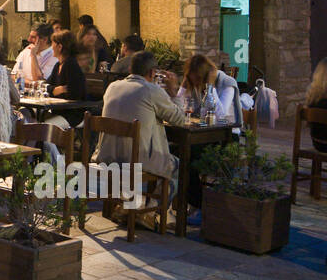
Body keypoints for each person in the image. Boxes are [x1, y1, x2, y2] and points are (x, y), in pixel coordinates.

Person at [96, 50, 187, 215]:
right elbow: (180, 119)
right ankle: (149, 211)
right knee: (177, 166)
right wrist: (174, 92)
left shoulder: (112, 87)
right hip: (135, 160)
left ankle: (127, 205)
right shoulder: (151, 90)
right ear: (153, 72)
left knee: (157, 153)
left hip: (108, 155)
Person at [177, 54, 240, 127]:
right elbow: (177, 110)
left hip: (228, 132)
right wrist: (183, 87)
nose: (195, 85)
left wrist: (210, 87)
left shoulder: (227, 83)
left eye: (197, 81)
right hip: (204, 130)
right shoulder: (194, 83)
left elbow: (220, 117)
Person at [46, 30, 87, 103]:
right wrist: (57, 90)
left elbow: (73, 93)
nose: (51, 47)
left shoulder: (71, 64)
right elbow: (46, 87)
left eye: (53, 43)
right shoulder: (58, 65)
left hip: (70, 111)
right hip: (58, 108)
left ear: (59, 47)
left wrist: (54, 91)